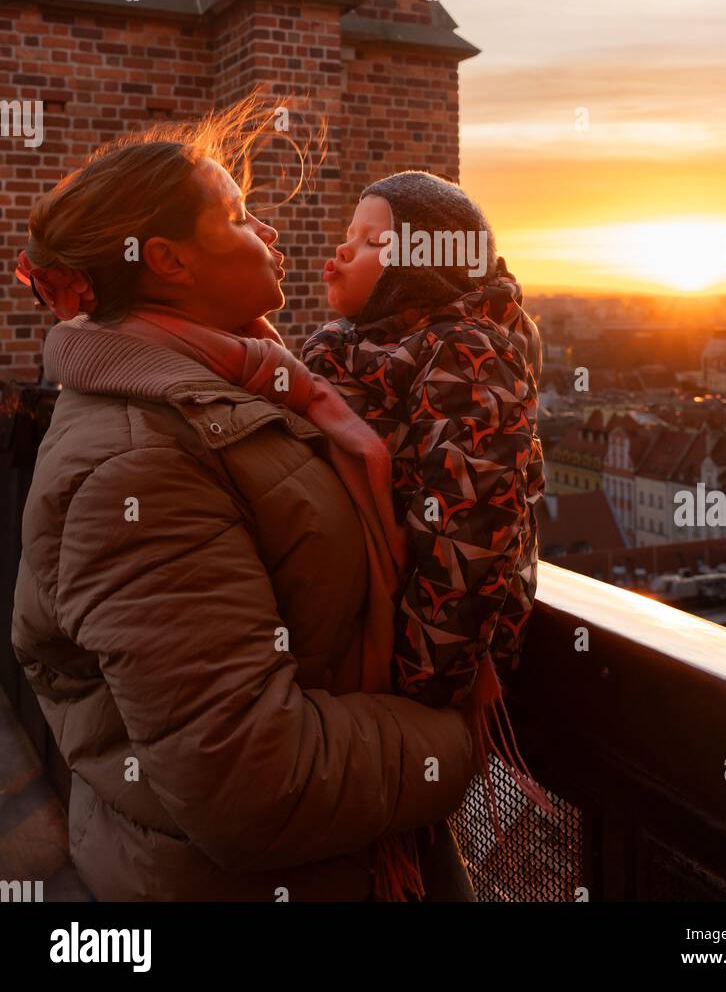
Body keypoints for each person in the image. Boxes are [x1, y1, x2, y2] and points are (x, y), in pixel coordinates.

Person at [10, 93, 477, 902]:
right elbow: (253, 783)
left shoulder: (238, 385)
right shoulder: (136, 463)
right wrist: (462, 740)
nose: (265, 232)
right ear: (169, 262)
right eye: (236, 216)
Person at [301, 170, 550, 839]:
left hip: (420, 678)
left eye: (371, 241)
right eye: (346, 236)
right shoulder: (359, 350)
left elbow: (469, 534)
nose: (343, 251)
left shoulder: (466, 355)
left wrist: (420, 688)